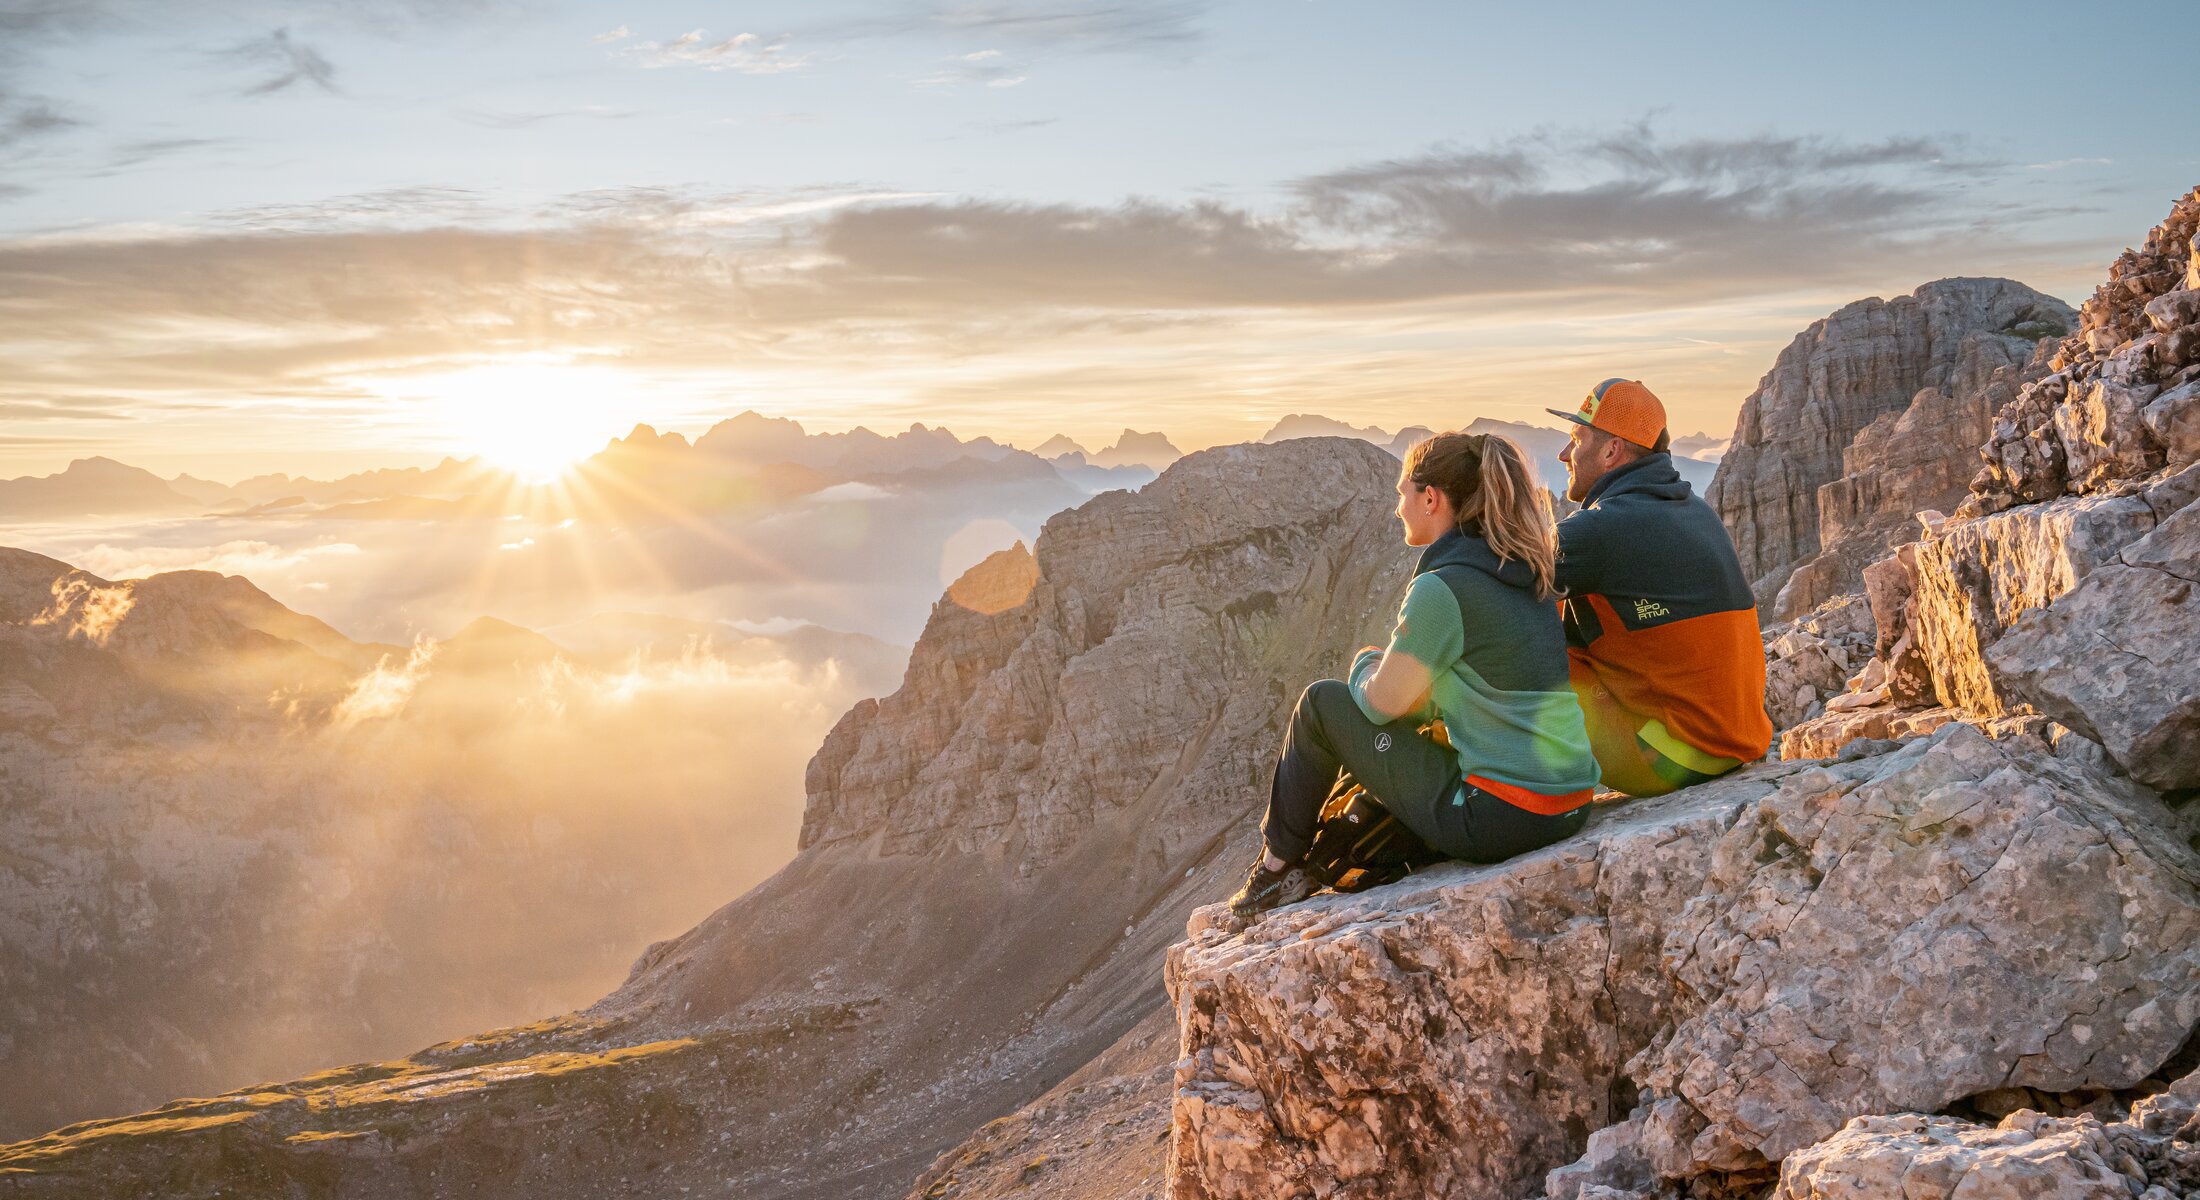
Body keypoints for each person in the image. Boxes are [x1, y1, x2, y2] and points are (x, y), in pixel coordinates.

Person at [1228, 432, 1601, 920]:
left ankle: (1274, 871)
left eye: (1402, 492)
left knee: (1321, 703)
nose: (1396, 507)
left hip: (1502, 818)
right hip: (1570, 803)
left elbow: (1382, 703)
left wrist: (1365, 663)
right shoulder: (1527, 569)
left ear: (1431, 498)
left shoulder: (1443, 587)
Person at [1547, 378, 1772, 797]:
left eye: (1576, 439)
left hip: (1670, 759)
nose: (1563, 454)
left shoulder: (1601, 528)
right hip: (1732, 745)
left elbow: (1483, 586)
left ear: (1612, 450)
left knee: (1514, 635)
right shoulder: (1692, 508)